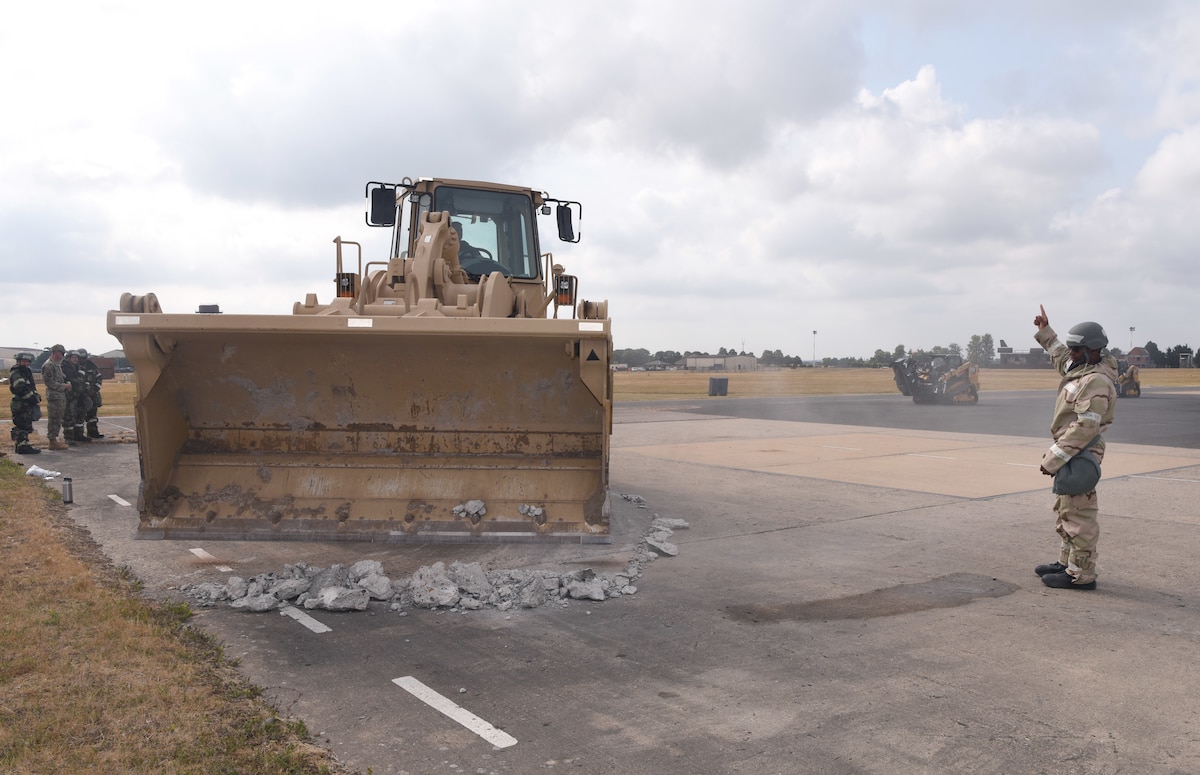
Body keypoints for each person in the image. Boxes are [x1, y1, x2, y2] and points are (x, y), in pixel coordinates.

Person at [1032, 305, 1117, 590]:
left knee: (1079, 514)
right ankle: (1067, 562)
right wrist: (1046, 331)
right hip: (1070, 449)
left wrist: (1053, 460)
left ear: (1094, 350)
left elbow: (1085, 428)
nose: (1072, 353)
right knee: (1066, 508)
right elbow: (1061, 357)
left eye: (1077, 349)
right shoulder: (1081, 368)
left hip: (1080, 451)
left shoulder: (1096, 381)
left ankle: (1081, 575)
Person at [8, 352, 42, 454]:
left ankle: (23, 444)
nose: (25, 363)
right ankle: (22, 446)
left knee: (26, 424)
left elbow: (31, 386)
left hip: (27, 403)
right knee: (21, 425)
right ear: (18, 361)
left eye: (27, 362)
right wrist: (32, 397)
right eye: (23, 361)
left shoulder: (27, 372)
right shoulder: (16, 372)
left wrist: (36, 396)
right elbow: (20, 388)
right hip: (20, 403)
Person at [40, 344, 71, 450]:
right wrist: (64, 386)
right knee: (54, 418)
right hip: (54, 396)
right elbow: (49, 382)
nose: (63, 356)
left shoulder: (56, 365)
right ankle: (52, 441)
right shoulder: (49, 365)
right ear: (56, 352)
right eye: (62, 353)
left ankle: (54, 439)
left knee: (58, 418)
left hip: (59, 396)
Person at [62, 350, 92, 444]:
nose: (75, 359)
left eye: (76, 358)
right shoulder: (63, 368)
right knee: (69, 417)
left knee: (80, 416)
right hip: (69, 397)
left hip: (81, 396)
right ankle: (68, 437)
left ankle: (79, 435)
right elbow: (63, 381)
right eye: (73, 357)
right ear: (68, 358)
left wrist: (86, 389)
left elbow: (86, 380)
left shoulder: (80, 368)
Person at [78, 348, 104, 438]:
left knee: (92, 415)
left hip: (92, 394)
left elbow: (99, 379)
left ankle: (93, 432)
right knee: (79, 415)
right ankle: (78, 434)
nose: (82, 360)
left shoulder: (92, 366)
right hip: (80, 395)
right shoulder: (74, 367)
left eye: (84, 358)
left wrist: (94, 390)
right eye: (80, 358)